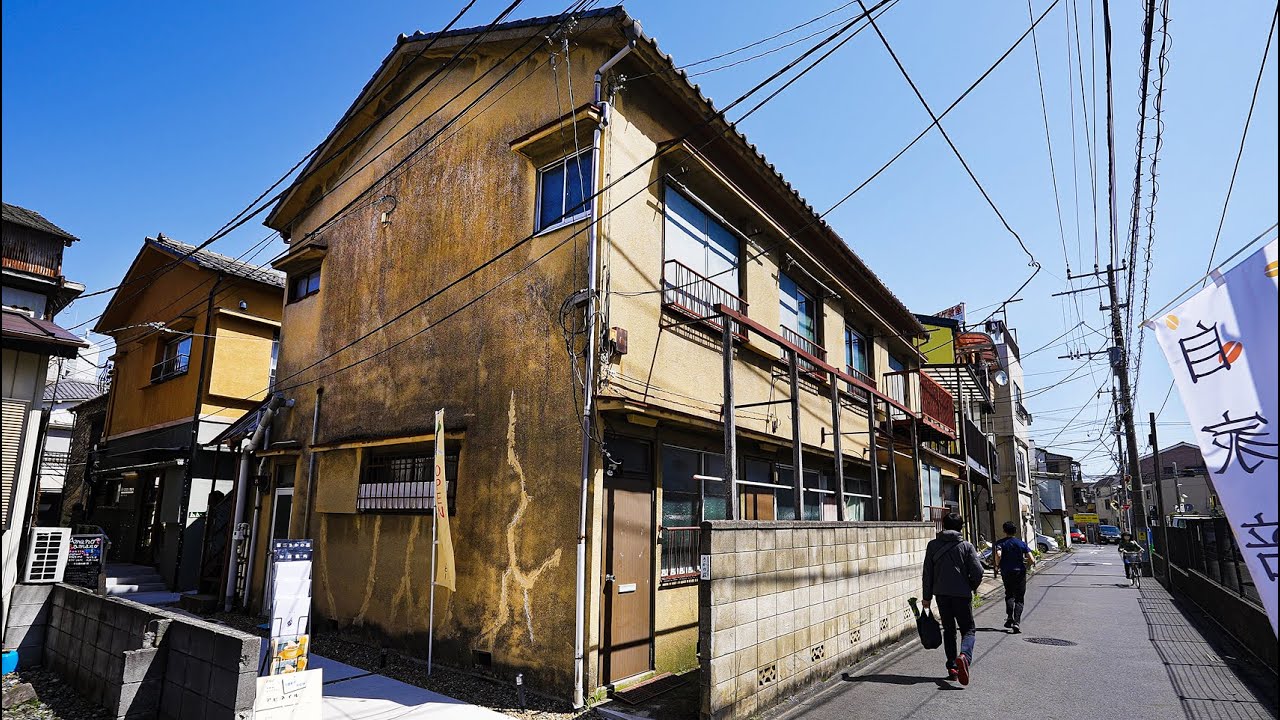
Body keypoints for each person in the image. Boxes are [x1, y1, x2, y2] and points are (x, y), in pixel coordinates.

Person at [921, 512, 985, 686]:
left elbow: (928, 573)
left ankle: (952, 668)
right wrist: (970, 586)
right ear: (961, 527)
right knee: (968, 630)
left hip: (941, 595)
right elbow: (978, 571)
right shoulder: (966, 546)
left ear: (943, 525)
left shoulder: (933, 545)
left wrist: (926, 598)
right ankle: (964, 656)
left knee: (949, 630)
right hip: (962, 595)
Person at [992, 521, 1035, 633]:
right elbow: (1032, 558)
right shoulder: (1021, 543)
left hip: (1006, 572)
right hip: (1020, 572)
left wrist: (997, 565)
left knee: (1009, 594)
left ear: (1004, 531)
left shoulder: (1000, 543)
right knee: (1019, 598)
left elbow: (998, 554)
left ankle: (1009, 617)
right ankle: (1016, 622)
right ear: (1015, 531)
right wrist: (1028, 565)